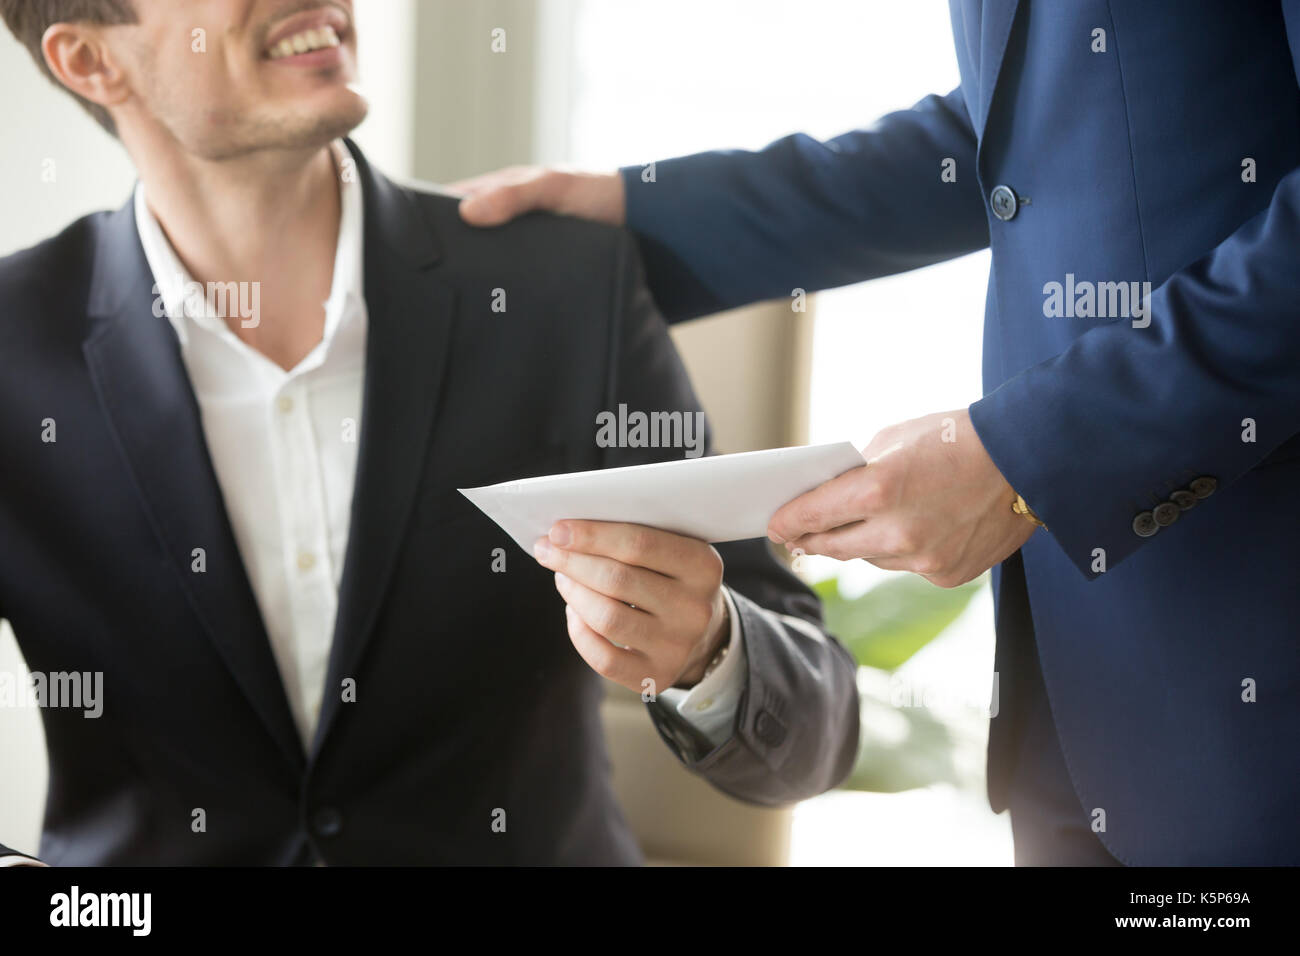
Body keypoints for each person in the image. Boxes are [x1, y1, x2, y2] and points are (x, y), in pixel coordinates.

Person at [0, 0, 858, 865]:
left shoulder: (563, 285)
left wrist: (706, 652)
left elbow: (820, 724)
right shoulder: (13, 350)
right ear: (90, 61)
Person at [455, 0, 1300, 865]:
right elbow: (1023, 124)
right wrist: (634, 213)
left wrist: (1029, 457)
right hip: (1082, 696)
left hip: (1252, 663)